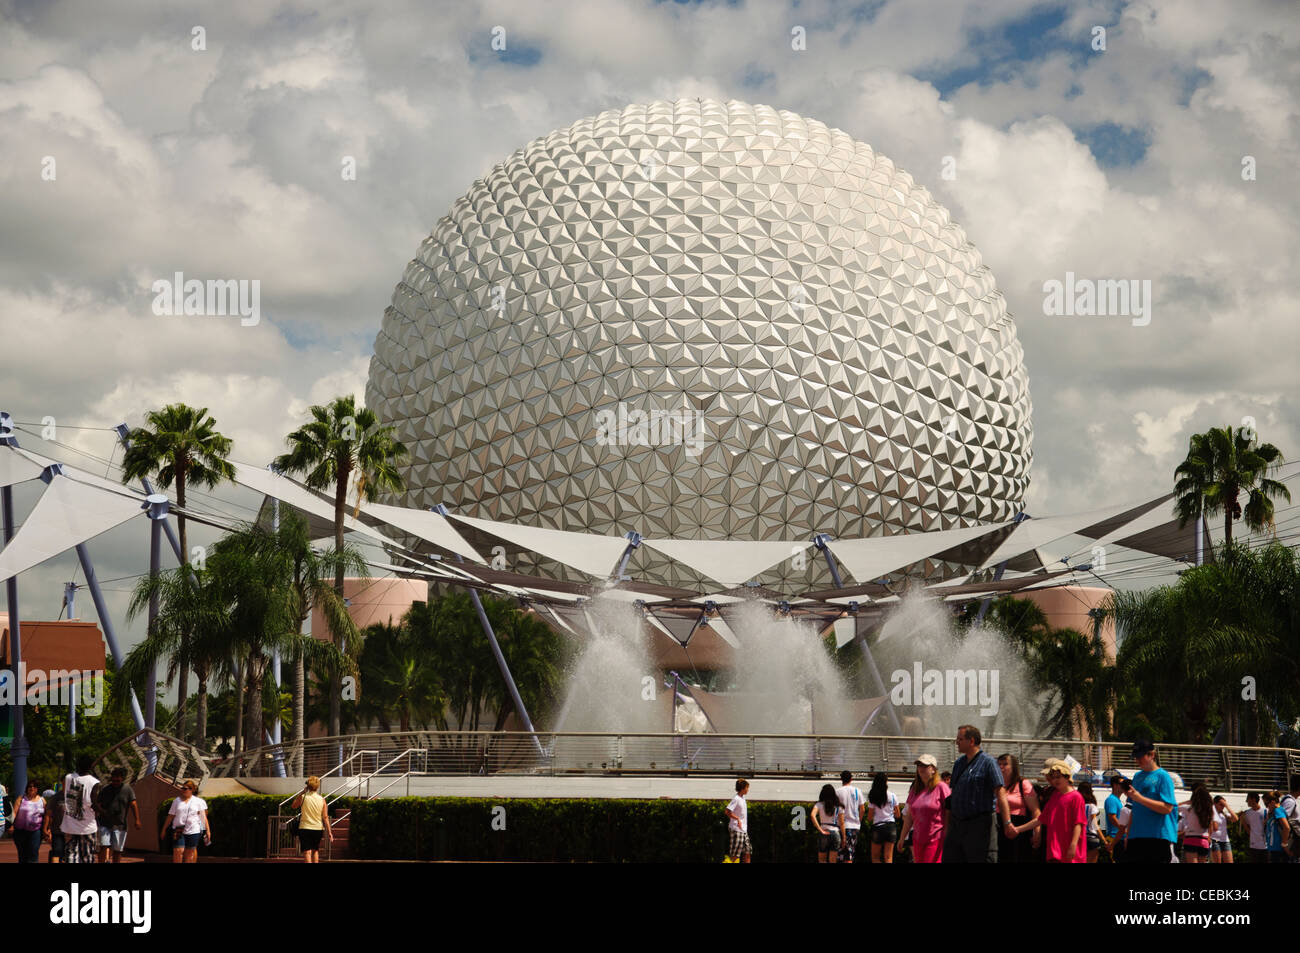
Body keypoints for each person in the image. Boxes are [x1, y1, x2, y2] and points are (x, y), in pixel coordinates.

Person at [943, 725, 1014, 863]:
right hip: (957, 825)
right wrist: (948, 827)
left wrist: (1007, 822)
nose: (956, 742)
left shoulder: (989, 762)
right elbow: (953, 796)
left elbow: (1000, 793)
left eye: (960, 739)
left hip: (980, 825)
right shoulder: (958, 763)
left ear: (972, 741)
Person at [1006, 759, 1084, 863]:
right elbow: (1041, 819)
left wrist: (1073, 845)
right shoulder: (1055, 795)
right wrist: (1018, 829)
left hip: (1070, 851)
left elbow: (1078, 823)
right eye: (1053, 777)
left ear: (1067, 777)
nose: (1055, 780)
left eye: (1058, 777)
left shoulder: (1076, 797)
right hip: (1054, 850)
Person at [1120, 740, 1177, 863]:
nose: (1137, 760)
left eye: (1140, 756)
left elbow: (1167, 808)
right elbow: (1133, 809)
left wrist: (1140, 798)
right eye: (1135, 757)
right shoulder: (1137, 777)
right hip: (1136, 837)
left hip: (1157, 837)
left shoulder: (1163, 776)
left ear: (1152, 754)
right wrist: (1128, 835)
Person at [899, 754, 948, 863]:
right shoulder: (915, 790)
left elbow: (951, 811)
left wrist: (948, 833)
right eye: (919, 765)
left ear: (933, 769)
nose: (921, 768)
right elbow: (909, 817)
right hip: (918, 839)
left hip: (936, 839)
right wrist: (902, 838)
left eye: (925, 765)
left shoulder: (941, 787)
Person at [996, 753, 1039, 863]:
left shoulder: (1023, 784)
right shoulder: (996, 785)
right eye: (999, 764)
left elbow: (1036, 811)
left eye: (1005, 764)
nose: (1001, 767)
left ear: (1014, 767)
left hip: (1018, 829)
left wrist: (1037, 833)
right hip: (997, 828)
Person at [60, 755, 101, 864]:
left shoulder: (68, 778)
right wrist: (105, 813)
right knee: (87, 857)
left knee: (71, 857)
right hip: (87, 827)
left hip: (70, 826)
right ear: (91, 766)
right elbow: (94, 804)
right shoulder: (94, 782)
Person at [96, 767, 141, 863]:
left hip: (120, 824)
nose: (115, 782)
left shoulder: (128, 790)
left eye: (118, 780)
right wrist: (102, 812)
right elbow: (97, 804)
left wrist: (137, 820)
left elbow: (133, 804)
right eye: (114, 779)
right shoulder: (105, 789)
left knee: (118, 850)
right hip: (105, 823)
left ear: (122, 779)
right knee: (104, 845)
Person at [162, 780, 210, 863]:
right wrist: (164, 829)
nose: (183, 790)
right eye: (182, 788)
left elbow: (203, 817)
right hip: (178, 829)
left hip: (193, 830)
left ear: (192, 790)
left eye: (185, 789)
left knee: (189, 854)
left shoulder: (199, 802)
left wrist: (208, 831)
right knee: (178, 851)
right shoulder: (176, 801)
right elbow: (170, 816)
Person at [290, 776, 333, 863]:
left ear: (308, 785)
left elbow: (293, 806)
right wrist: (329, 832)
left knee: (307, 852)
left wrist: (302, 792)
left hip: (304, 828)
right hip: (318, 829)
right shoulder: (322, 799)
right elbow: (325, 817)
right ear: (317, 786)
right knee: (315, 851)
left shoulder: (303, 797)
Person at [866, 771, 900, 863]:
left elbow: (869, 817)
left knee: (875, 857)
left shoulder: (873, 796)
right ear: (886, 782)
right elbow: (898, 815)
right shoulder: (893, 796)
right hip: (891, 827)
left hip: (878, 827)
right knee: (888, 858)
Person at [12, 780, 47, 863]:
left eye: (34, 786)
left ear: (37, 789)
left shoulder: (42, 800)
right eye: (30, 786)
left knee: (33, 853)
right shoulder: (21, 799)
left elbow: (47, 816)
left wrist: (47, 829)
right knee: (22, 854)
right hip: (20, 831)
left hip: (35, 831)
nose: (32, 788)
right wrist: (11, 826)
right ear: (27, 788)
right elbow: (14, 813)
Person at [1179, 784, 1214, 864]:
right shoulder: (1208, 810)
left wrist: (1188, 802)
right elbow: (1210, 826)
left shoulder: (1188, 808)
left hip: (1190, 839)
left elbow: (1173, 807)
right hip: (1204, 840)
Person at [836, 770, 865, 863]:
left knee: (841, 855)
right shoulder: (858, 791)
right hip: (854, 826)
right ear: (851, 779)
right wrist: (858, 821)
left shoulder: (837, 792)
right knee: (849, 855)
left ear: (841, 779)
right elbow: (862, 809)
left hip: (841, 825)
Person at [812, 783, 845, 863]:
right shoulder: (838, 806)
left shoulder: (819, 804)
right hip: (835, 832)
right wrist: (844, 837)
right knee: (833, 860)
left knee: (822, 860)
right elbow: (842, 823)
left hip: (824, 831)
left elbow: (812, 815)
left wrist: (820, 829)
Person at [1102, 775, 1128, 862]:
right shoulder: (1111, 800)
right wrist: (1123, 829)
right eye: (1122, 783)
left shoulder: (1117, 800)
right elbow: (1112, 817)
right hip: (1114, 838)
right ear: (1115, 785)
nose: (1124, 786)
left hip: (1119, 838)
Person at [724, 779, 751, 863]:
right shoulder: (736, 799)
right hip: (736, 829)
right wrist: (737, 818)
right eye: (747, 787)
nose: (748, 789)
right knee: (735, 854)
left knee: (748, 852)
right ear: (743, 788)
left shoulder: (743, 798)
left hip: (743, 830)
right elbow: (727, 812)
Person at [1240, 792, 1267, 863]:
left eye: (1248, 799)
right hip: (1253, 846)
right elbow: (1248, 830)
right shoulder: (1247, 813)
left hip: (1266, 846)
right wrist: (1243, 822)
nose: (1246, 801)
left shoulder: (1265, 811)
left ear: (1253, 799)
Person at [1263, 791, 1290, 863]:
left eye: (1266, 803)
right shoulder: (1273, 812)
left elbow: (1286, 827)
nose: (1266, 806)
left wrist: (1284, 844)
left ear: (1272, 802)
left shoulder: (1278, 810)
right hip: (1274, 848)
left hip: (1278, 848)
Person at [1079, 782, 1102, 862]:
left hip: (1079, 837)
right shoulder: (1092, 806)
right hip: (1092, 837)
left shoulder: (1077, 805)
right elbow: (1095, 824)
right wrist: (1104, 839)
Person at [1210, 795, 1235, 864]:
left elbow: (1235, 818)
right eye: (1221, 804)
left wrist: (1226, 805)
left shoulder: (1224, 814)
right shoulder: (1212, 812)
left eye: (1223, 805)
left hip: (1225, 840)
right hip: (1215, 840)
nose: (1222, 806)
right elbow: (1215, 827)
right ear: (1215, 804)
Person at [43, 787, 65, 862]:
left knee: (68, 854)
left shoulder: (74, 795)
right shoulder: (56, 797)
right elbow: (48, 815)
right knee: (56, 852)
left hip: (70, 831)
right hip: (57, 830)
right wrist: (47, 829)